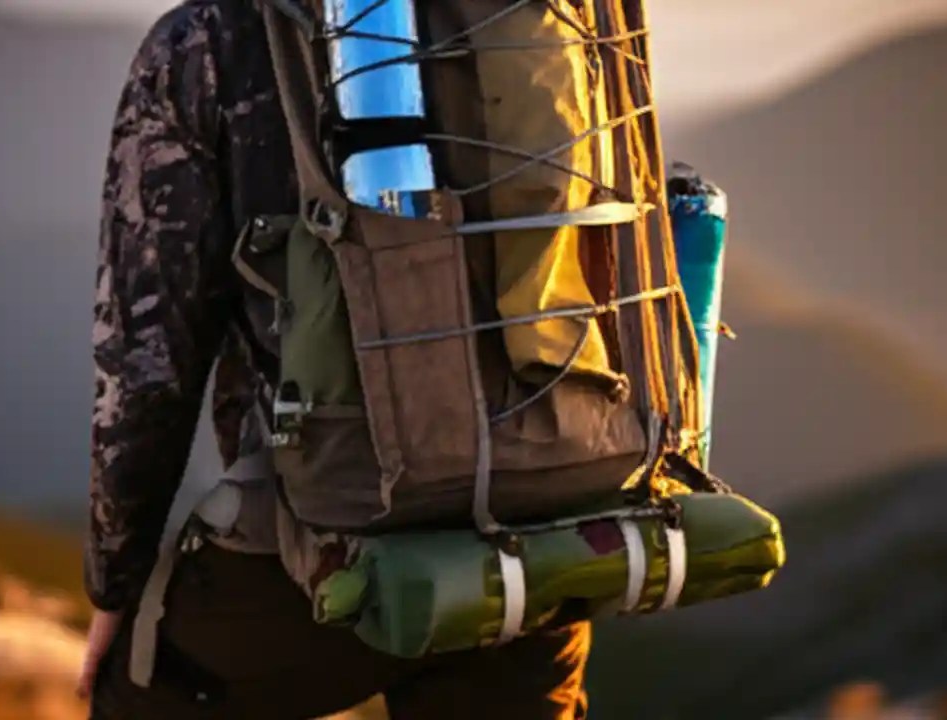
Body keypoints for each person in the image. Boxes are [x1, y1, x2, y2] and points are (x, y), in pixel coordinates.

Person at [79, 1, 592, 717]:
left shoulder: (209, 39)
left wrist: (114, 580)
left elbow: (146, 365)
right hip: (547, 512)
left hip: (330, 526)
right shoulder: (550, 16)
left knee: (137, 700)